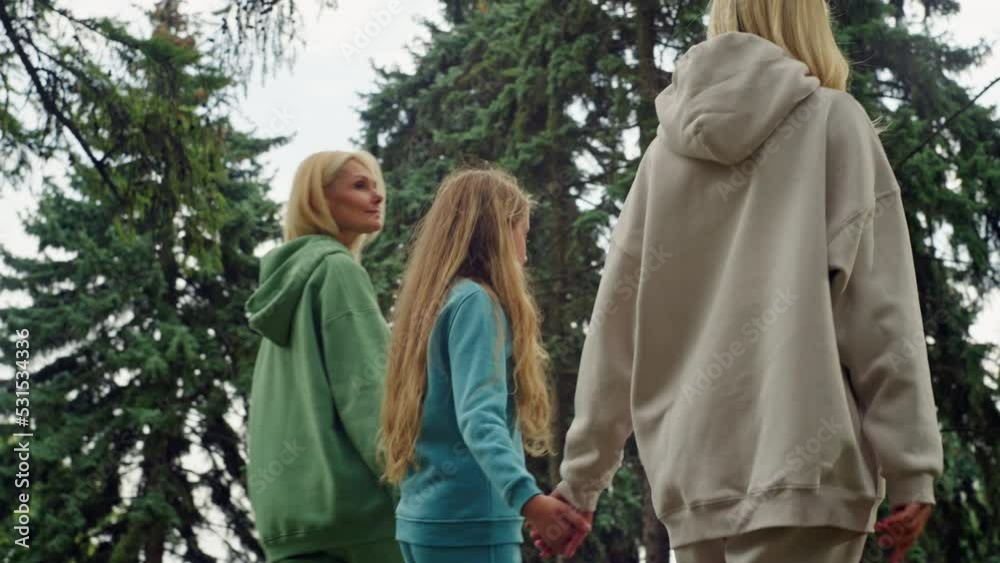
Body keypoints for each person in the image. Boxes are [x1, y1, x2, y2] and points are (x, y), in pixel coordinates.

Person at [534, 1, 944, 562]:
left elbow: (616, 328)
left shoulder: (663, 157)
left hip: (695, 480)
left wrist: (582, 482)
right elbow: (880, 311)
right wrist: (912, 465)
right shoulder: (834, 122)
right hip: (806, 472)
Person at [380, 168, 591, 563]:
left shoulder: (435, 305)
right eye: (522, 235)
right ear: (498, 234)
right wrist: (529, 499)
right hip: (471, 527)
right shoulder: (476, 303)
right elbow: (479, 418)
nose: (524, 255)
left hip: (423, 524)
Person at [245, 150, 404, 563]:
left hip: (290, 527)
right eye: (359, 186)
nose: (377, 196)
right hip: (358, 528)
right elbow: (370, 397)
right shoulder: (338, 271)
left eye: (376, 186)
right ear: (319, 199)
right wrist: (418, 486)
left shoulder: (284, 291)